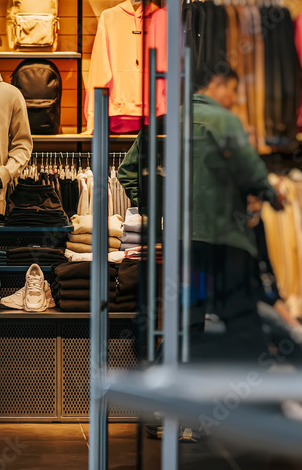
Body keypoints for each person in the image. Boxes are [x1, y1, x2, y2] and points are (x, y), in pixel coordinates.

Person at [118, 67, 283, 360]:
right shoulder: (225, 121)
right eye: (232, 90)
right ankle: (241, 388)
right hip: (224, 241)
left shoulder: (163, 122)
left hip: (181, 242)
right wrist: (272, 194)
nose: (233, 99)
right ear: (216, 85)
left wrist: (158, 206)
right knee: (238, 319)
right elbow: (253, 175)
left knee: (188, 317)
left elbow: (128, 171)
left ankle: (171, 381)